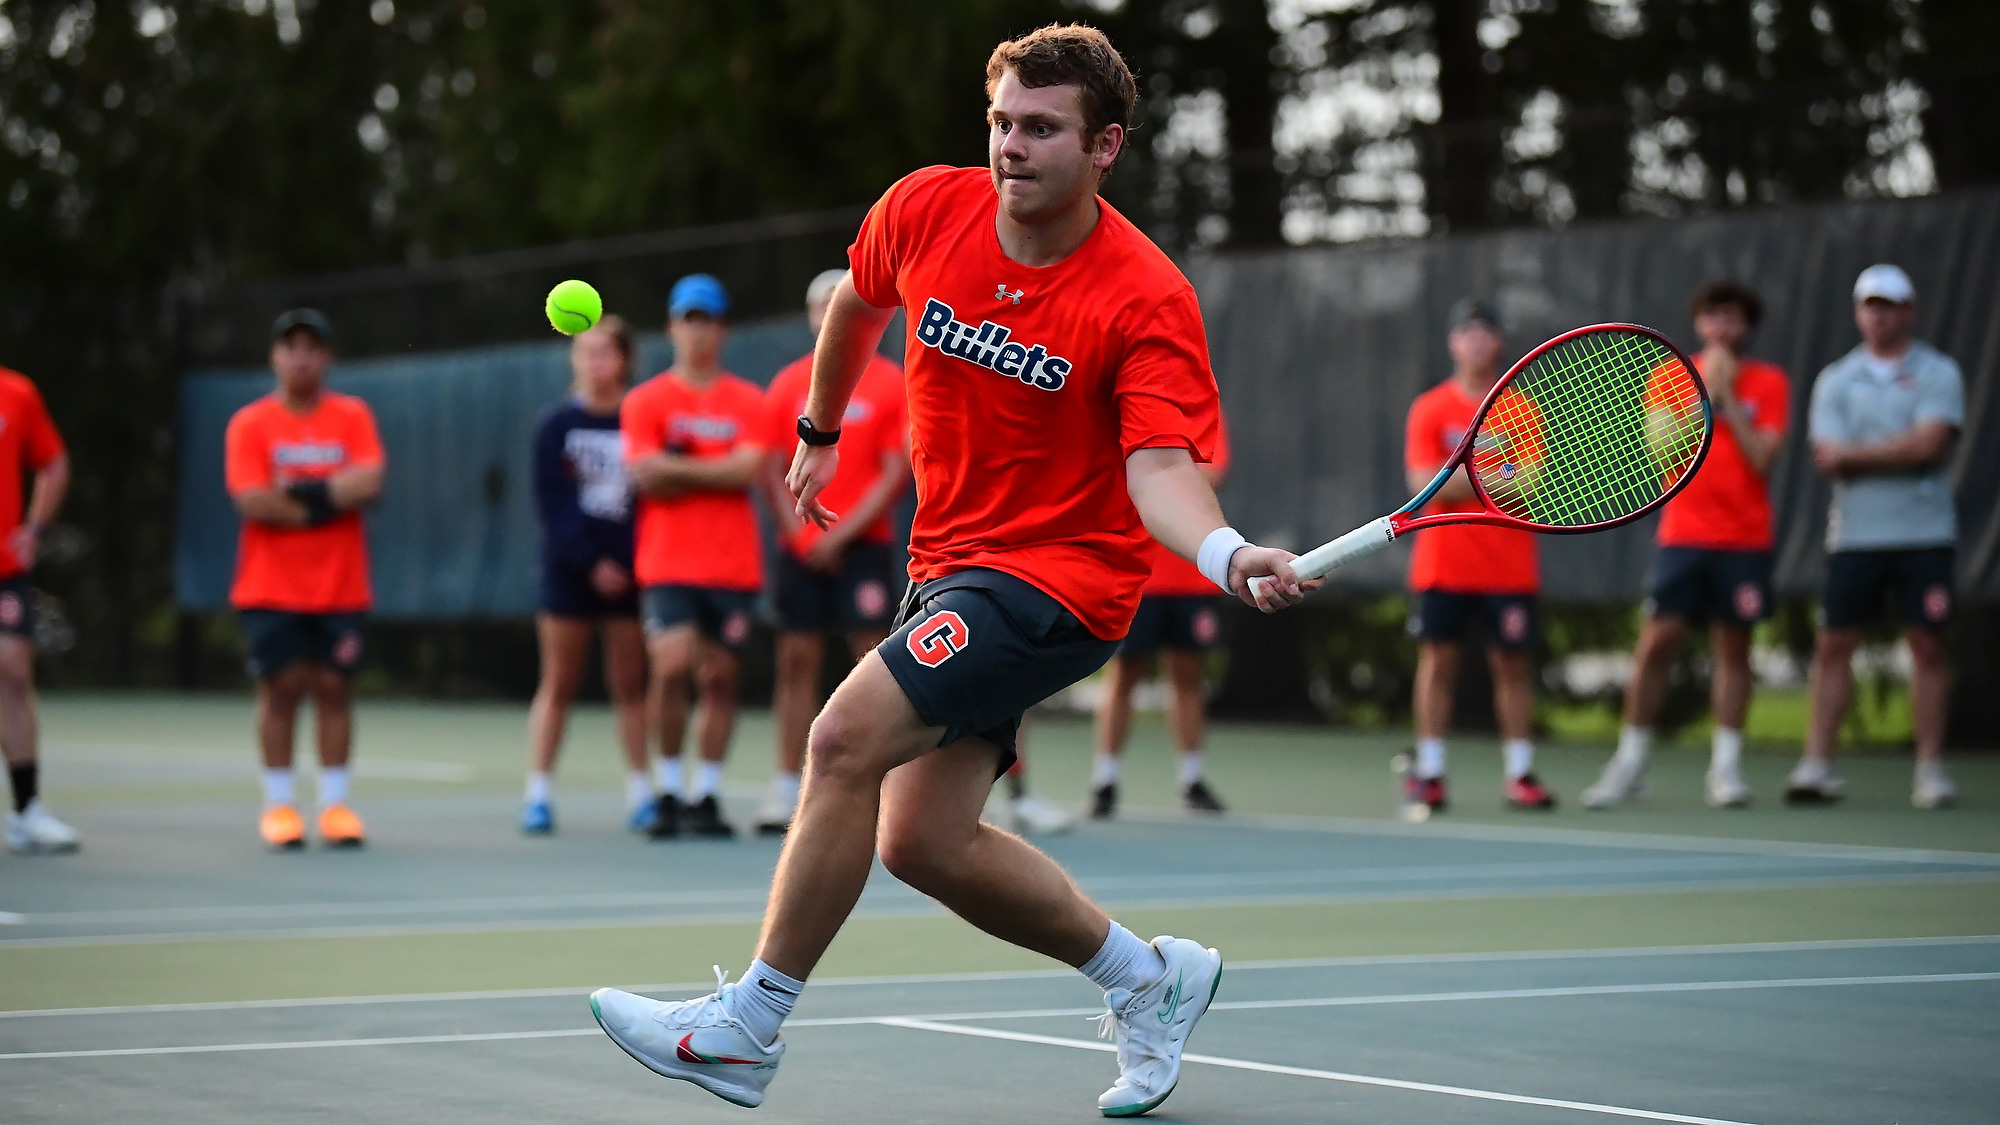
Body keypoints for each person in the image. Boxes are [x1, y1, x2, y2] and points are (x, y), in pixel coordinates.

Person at [587, 25, 1311, 1116]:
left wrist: (1222, 553)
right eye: (1000, 124)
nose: (1009, 148)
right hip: (951, 565)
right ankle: (1148, 982)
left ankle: (747, 1026)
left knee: (837, 741)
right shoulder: (929, 207)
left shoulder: (1144, 297)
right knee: (921, 842)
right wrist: (819, 425)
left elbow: (1160, 468)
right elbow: (856, 306)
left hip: (1060, 581)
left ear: (1104, 145)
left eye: (1040, 130)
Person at [1583, 282, 1790, 810]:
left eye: (1733, 317)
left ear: (1746, 326)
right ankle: (1630, 763)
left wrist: (1730, 404)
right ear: (1700, 324)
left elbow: (1763, 460)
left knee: (1734, 649)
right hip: (1683, 536)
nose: (1722, 326)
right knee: (1656, 643)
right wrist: (1704, 396)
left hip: (1744, 539)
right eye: (1713, 316)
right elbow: (1662, 450)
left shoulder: (1769, 382)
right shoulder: (1672, 376)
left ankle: (1726, 769)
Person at [1792, 264, 1962, 809]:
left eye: (1888, 304)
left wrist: (1860, 453)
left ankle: (1930, 770)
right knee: (1834, 645)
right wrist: (1896, 448)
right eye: (1869, 304)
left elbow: (1929, 447)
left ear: (1908, 311)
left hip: (1925, 533)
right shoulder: (1836, 379)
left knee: (1927, 646)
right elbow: (1829, 459)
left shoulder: (1939, 372)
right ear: (1857, 311)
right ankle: (1817, 765)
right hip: (1855, 538)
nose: (1878, 314)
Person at [224, 309, 385, 849]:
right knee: (283, 689)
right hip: (270, 587)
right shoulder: (250, 424)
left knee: (336, 688)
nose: (302, 357)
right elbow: (253, 499)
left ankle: (336, 806)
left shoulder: (353, 416)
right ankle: (279, 807)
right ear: (275, 356)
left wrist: (299, 492)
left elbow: (369, 480)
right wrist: (326, 501)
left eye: (312, 348)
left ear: (327, 358)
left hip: (341, 585)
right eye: (291, 347)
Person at [756, 269, 908, 836]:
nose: (831, 312)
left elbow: (897, 471)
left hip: (863, 548)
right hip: (802, 549)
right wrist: (802, 536)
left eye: (839, 302)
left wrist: (839, 536)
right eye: (822, 304)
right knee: (796, 662)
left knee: (872, 663)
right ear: (813, 315)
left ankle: (881, 792)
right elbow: (771, 467)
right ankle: (781, 789)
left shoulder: (894, 382)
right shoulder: (790, 382)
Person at [622, 274, 767, 839]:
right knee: (672, 666)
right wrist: (714, 469)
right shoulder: (645, 400)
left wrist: (678, 468)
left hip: (731, 565)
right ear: (671, 329)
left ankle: (705, 794)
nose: (696, 331)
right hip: (667, 562)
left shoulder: (748, 400)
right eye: (687, 320)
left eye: (706, 320)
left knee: (722, 679)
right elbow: (645, 475)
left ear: (721, 330)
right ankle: (666, 789)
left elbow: (747, 469)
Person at [1401, 299, 1555, 813]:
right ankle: (1431, 772)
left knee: (1511, 667)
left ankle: (1520, 774)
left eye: (1486, 332)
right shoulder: (1429, 408)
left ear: (1499, 343)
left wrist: (1460, 477)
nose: (1476, 341)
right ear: (1452, 343)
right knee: (1438, 664)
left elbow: (1529, 484)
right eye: (1466, 332)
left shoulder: (1523, 408)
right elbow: (1424, 485)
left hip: (1508, 567)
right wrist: (1496, 472)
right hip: (1442, 566)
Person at [522, 316, 651, 835]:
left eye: (605, 352)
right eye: (585, 352)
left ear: (623, 361)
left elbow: (651, 501)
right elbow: (553, 506)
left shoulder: (641, 420)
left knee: (629, 684)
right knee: (559, 681)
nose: (595, 362)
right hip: (570, 573)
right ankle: (538, 794)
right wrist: (590, 562)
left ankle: (642, 794)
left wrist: (628, 563)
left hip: (631, 574)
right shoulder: (554, 426)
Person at [1091, 416, 1232, 818]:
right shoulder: (1126, 413)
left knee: (1187, 676)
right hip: (1138, 575)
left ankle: (1192, 779)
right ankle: (1105, 780)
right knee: (1123, 676)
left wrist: (1160, 474)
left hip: (1192, 576)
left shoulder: (1203, 414)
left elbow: (1211, 474)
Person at [0, 363, 77, 854]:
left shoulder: (15, 392)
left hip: (4, 570)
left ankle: (27, 810)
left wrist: (35, 529)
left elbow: (53, 462)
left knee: (13, 674)